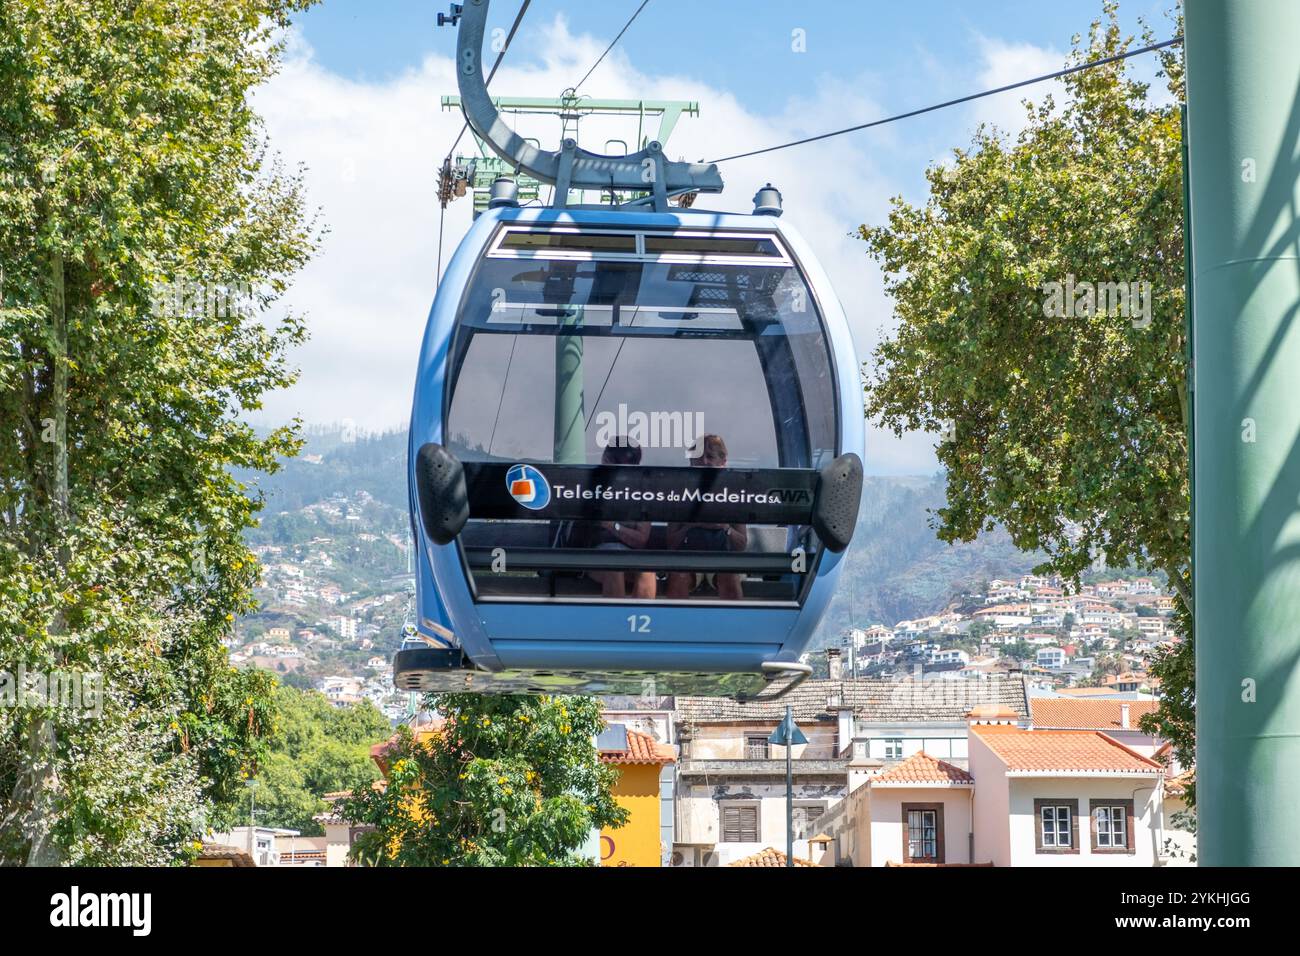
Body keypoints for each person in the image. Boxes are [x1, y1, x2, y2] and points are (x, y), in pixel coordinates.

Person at [665, 434, 747, 600]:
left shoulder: (734, 494)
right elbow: (671, 544)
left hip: (722, 560)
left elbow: (741, 545)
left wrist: (723, 527)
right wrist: (691, 525)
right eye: (698, 457)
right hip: (687, 561)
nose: (704, 462)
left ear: (722, 462)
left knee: (730, 578)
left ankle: (732, 625)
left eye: (710, 457)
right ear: (691, 462)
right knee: (678, 578)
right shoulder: (679, 493)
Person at [587, 438, 656, 599]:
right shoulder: (591, 488)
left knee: (647, 571)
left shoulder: (641, 493)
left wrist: (612, 526)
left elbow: (641, 540)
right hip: (597, 556)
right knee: (614, 565)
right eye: (612, 460)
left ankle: (641, 620)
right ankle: (615, 622)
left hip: (630, 557)